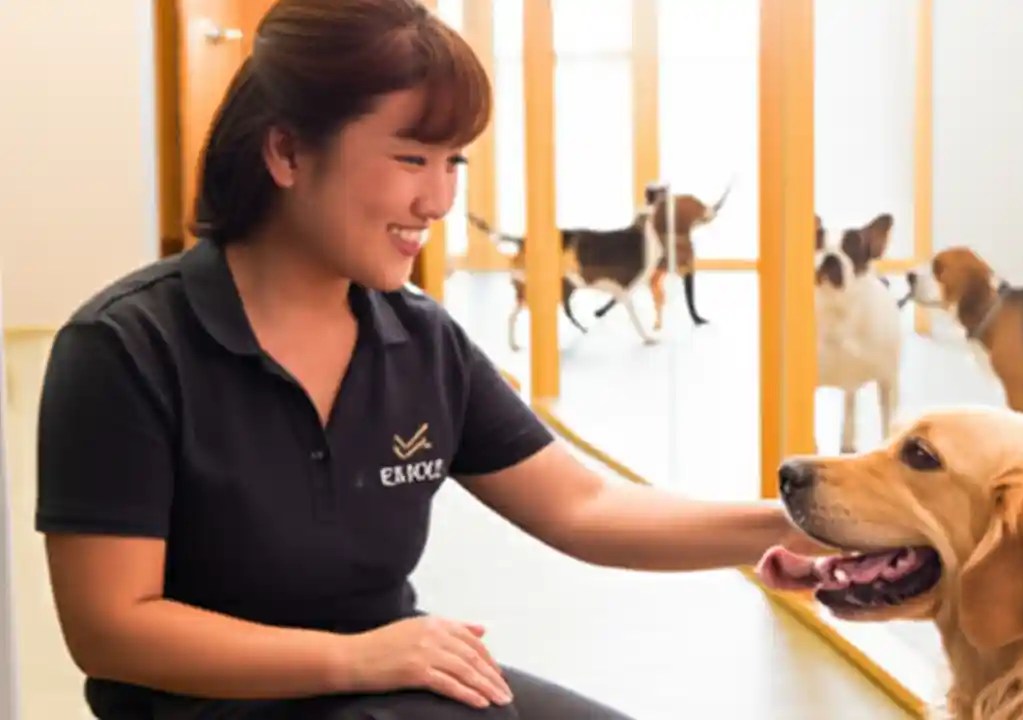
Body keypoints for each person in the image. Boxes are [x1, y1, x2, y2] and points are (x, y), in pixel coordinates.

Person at [34, 1, 828, 718]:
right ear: (286, 153)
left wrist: (804, 527)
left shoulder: (419, 339)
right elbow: (112, 630)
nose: (440, 201)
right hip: (214, 703)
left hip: (387, 674)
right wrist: (351, 658)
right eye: (413, 159)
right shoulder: (124, 348)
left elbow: (583, 508)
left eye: (455, 165)